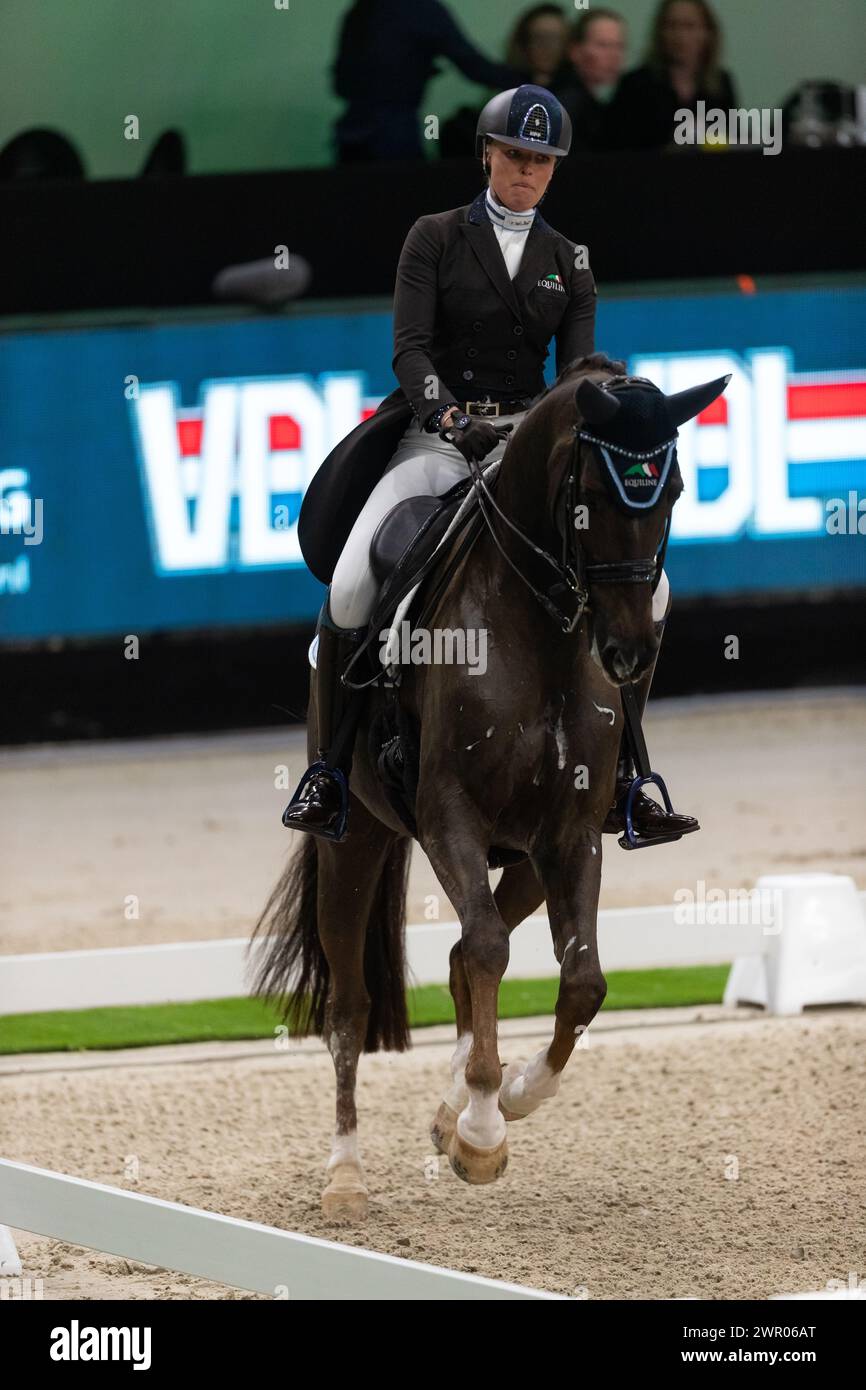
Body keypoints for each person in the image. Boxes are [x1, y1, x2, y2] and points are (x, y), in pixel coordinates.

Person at [284, 83, 695, 846]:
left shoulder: (568, 259)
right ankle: (330, 770)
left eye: (541, 160)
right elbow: (409, 347)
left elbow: (577, 375)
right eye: (514, 154)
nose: (526, 170)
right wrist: (447, 417)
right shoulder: (434, 237)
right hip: (435, 438)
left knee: (654, 586)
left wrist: (591, 415)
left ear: (553, 170)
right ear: (487, 154)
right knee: (352, 581)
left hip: (524, 443)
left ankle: (629, 776)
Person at [332, 0, 522, 163]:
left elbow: (341, 83)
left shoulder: (359, 11)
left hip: (351, 133)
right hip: (395, 132)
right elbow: (473, 66)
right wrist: (530, 83)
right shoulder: (421, 10)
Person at [607, 0, 737, 152]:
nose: (680, 36)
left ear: (707, 34)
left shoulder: (721, 84)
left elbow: (732, 144)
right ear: (660, 32)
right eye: (671, 26)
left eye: (690, 26)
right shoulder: (635, 85)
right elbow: (615, 149)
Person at [552, 8, 627, 151]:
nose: (614, 55)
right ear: (575, 51)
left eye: (619, 46)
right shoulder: (564, 107)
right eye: (603, 45)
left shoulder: (623, 101)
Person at [505, 5, 569, 89]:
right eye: (539, 37)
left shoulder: (578, 90)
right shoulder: (507, 84)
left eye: (554, 39)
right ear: (525, 43)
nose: (547, 46)